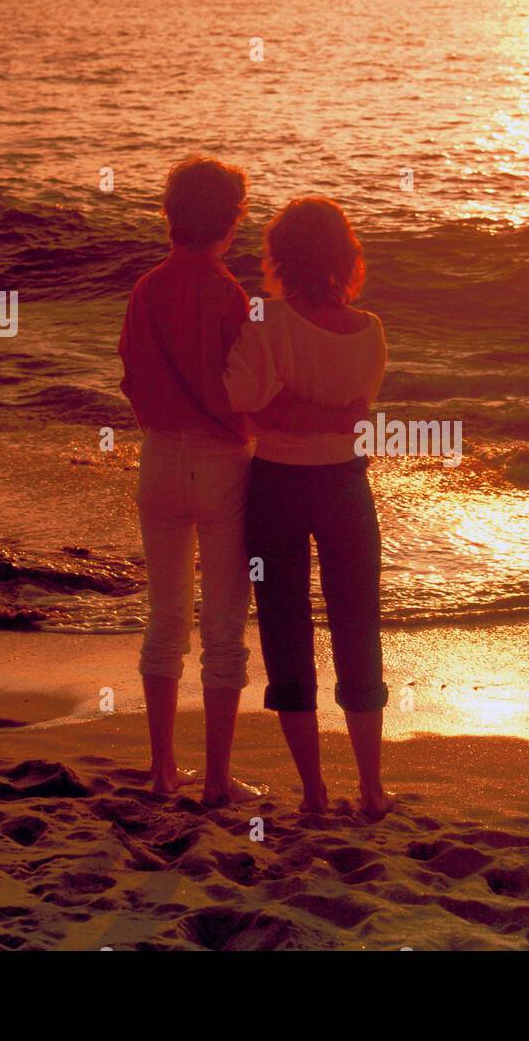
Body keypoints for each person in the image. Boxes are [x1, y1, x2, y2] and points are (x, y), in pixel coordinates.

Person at [119, 157, 357, 805]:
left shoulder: (145, 289)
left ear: (171, 217)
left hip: (159, 458)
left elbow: (133, 385)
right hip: (222, 466)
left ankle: (162, 769)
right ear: (231, 224)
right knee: (224, 627)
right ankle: (217, 781)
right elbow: (247, 397)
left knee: (165, 618)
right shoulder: (232, 298)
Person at [224, 197, 396, 819]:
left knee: (284, 627)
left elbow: (246, 404)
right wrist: (328, 416)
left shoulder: (265, 319)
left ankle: (316, 794)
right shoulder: (370, 331)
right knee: (358, 626)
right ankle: (373, 788)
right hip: (346, 488)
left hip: (277, 486)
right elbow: (355, 413)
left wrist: (286, 411)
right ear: (345, 257)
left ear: (281, 257)